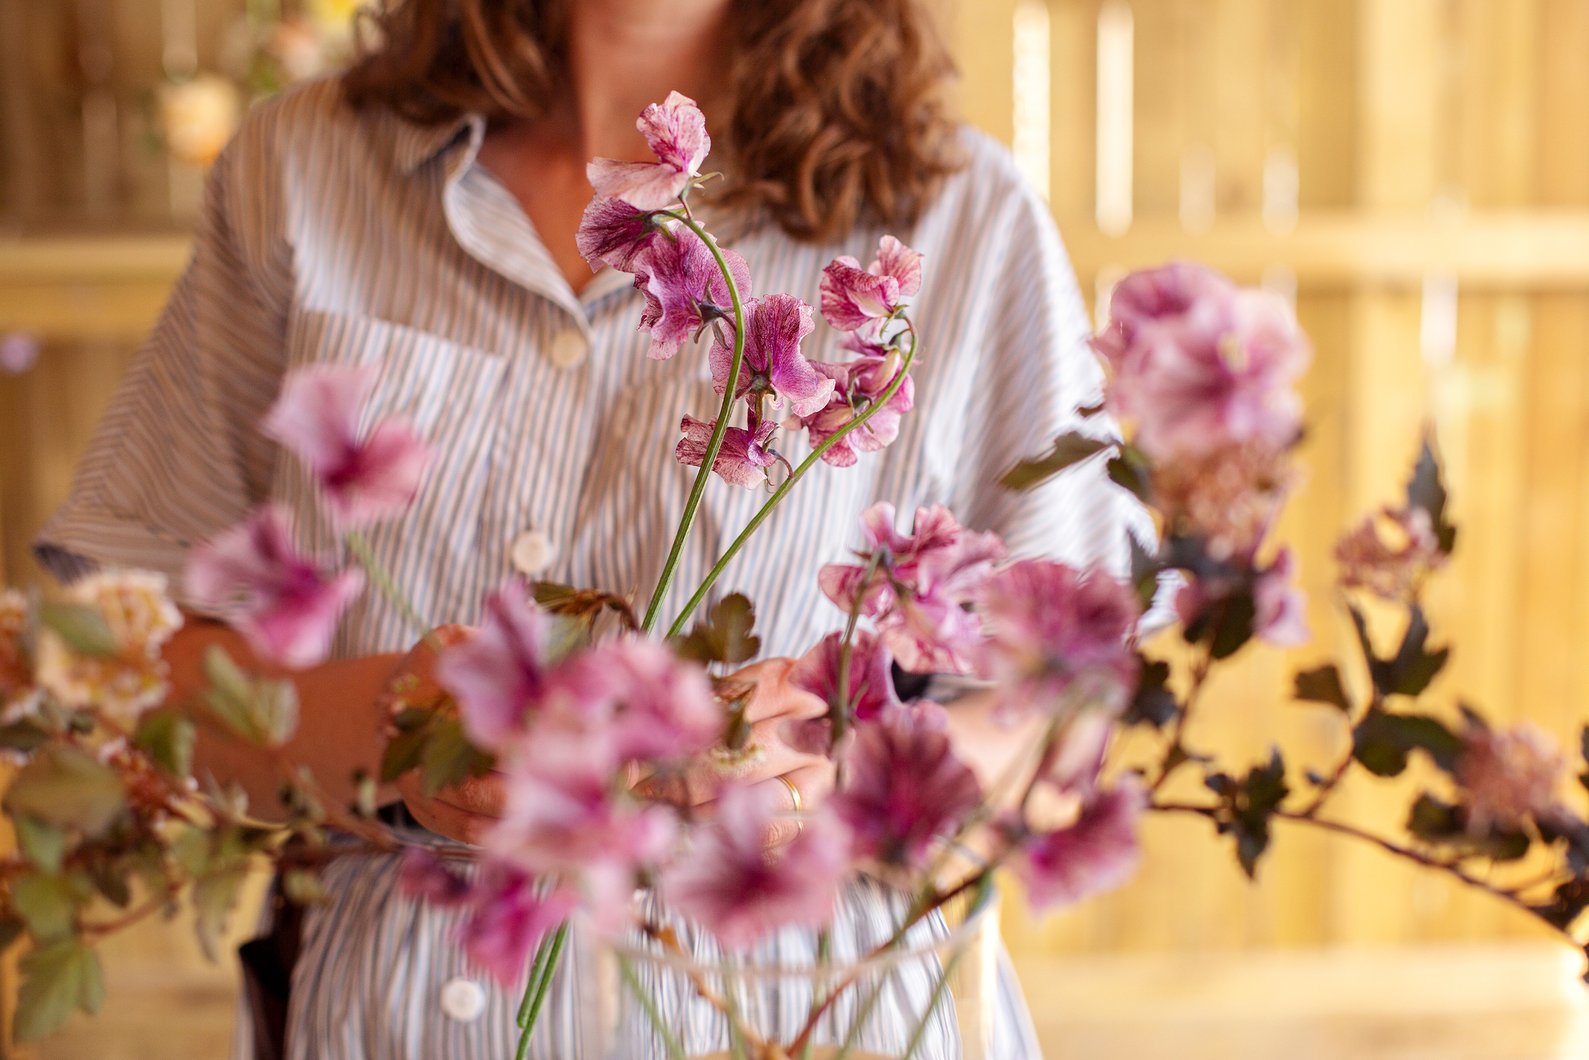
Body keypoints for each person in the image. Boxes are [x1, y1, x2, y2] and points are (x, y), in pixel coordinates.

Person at [38, 0, 1151, 1055]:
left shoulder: (961, 216)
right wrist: (399, 734)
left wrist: (824, 770)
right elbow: (123, 667)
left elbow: (1072, 697)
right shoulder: (301, 169)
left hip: (797, 1020)